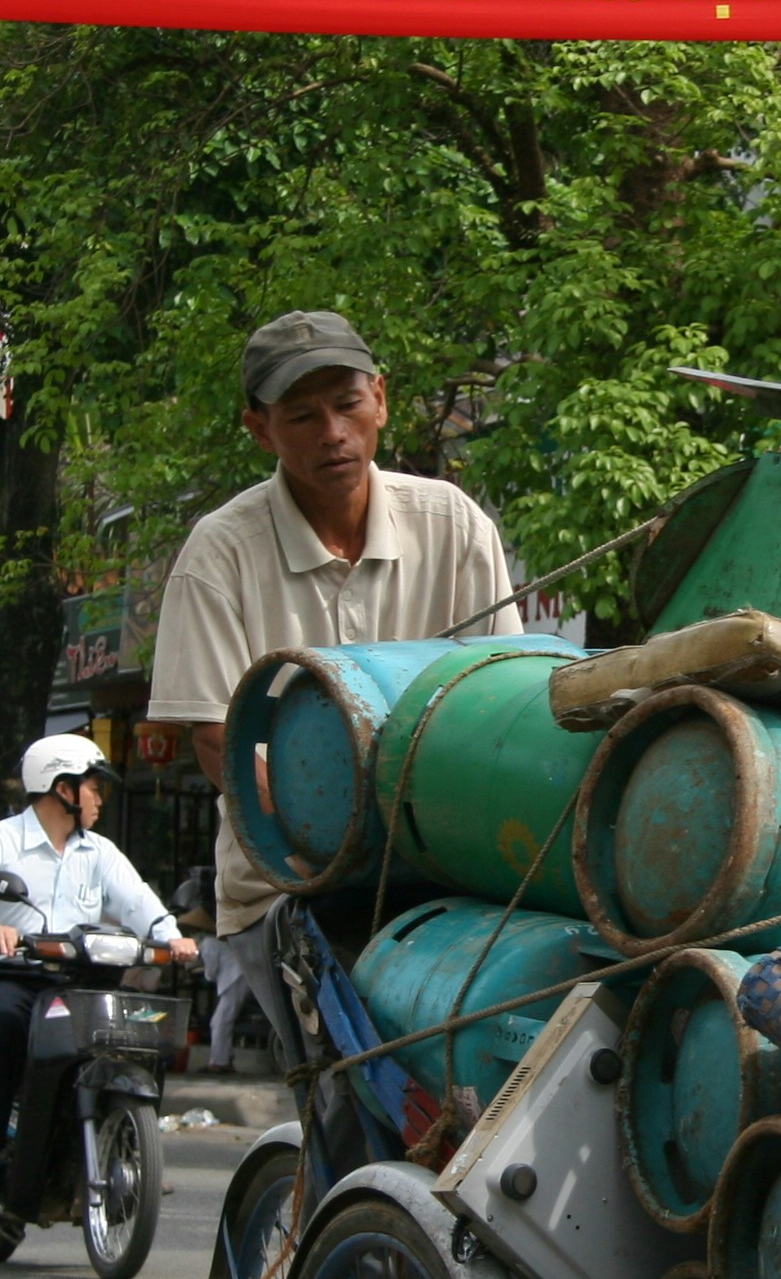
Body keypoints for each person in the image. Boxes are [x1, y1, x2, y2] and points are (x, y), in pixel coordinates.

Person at [143, 310, 521, 944]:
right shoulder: (219, 553)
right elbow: (218, 737)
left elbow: (506, 692)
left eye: (348, 405)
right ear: (259, 430)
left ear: (381, 398)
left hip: (445, 867)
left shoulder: (452, 524)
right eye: (301, 417)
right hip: (287, 885)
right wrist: (327, 848)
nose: (333, 433)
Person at [0, 734, 198, 1212]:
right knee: (3, 1028)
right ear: (63, 789)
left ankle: (126, 1147)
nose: (100, 798)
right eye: (94, 787)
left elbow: (137, 901)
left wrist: (170, 935)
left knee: (136, 1033)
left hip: (81, 977)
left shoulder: (99, 853)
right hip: (12, 976)